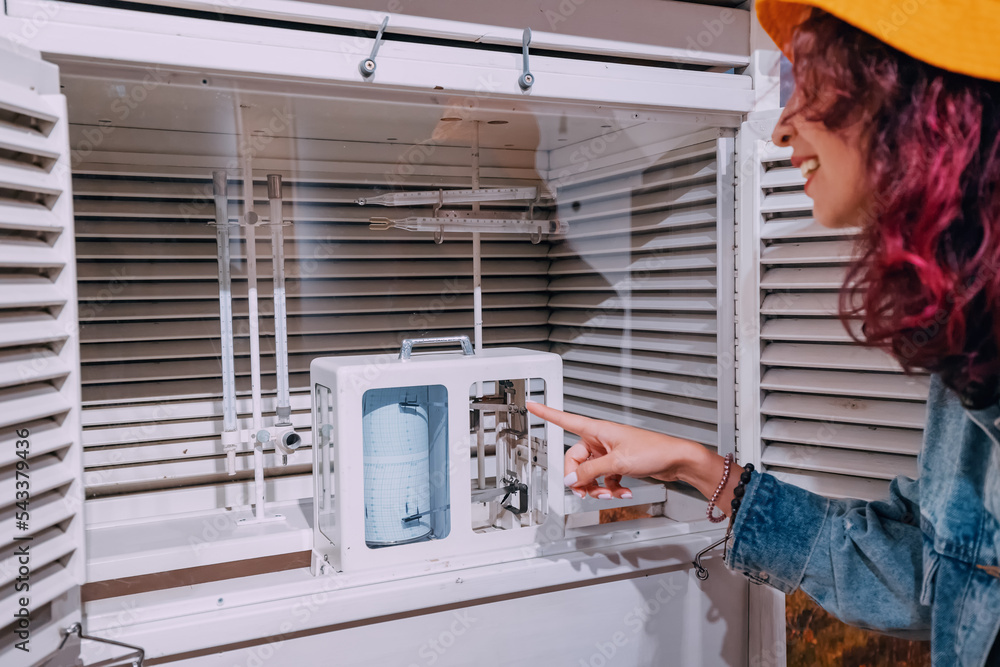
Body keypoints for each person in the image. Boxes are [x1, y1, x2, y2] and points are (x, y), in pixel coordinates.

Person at [526, 1, 1000, 665]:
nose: (780, 129)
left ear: (911, 99)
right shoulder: (972, 338)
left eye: (809, 89)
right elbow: (927, 573)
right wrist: (697, 466)